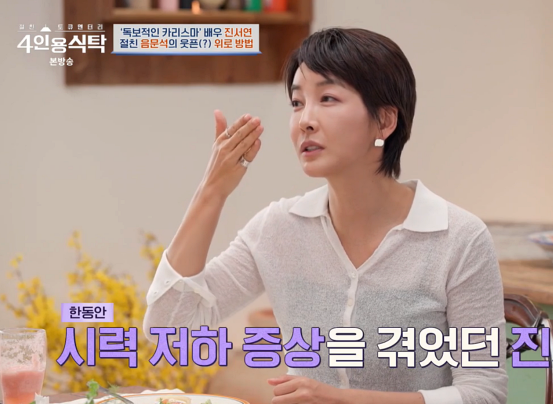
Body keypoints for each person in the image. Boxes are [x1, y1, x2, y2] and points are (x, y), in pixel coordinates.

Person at [143, 27, 508, 404]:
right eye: (297, 102)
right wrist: (211, 192)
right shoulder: (279, 229)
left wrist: (341, 399)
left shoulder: (458, 238)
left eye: (328, 98)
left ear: (385, 121)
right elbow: (169, 330)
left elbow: (485, 392)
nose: (305, 120)